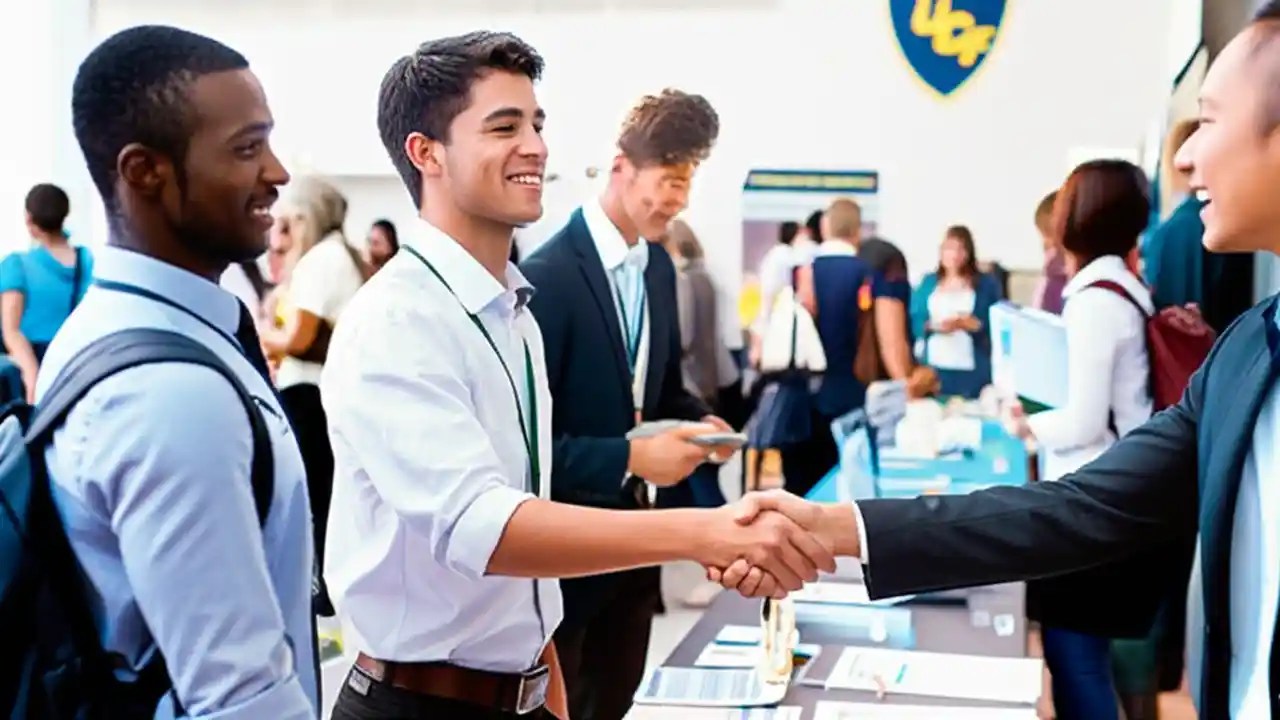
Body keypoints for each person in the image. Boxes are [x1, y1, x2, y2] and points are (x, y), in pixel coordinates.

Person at [714, 6, 1280, 717]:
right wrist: (836, 528)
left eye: (1211, 121)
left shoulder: (1132, 308)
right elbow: (1079, 508)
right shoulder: (1246, 356)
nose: (1188, 157)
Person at [321, 31, 834, 720]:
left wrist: (544, 685)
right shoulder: (397, 321)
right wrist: (704, 530)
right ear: (426, 152)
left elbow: (523, 556)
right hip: (420, 700)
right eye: (504, 127)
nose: (535, 145)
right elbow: (488, 530)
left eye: (537, 124)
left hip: (524, 687)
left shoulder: (512, 313)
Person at [43, 25, 316, 717]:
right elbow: (239, 698)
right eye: (246, 148)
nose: (277, 172)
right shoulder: (170, 394)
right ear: (145, 172)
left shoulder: (115, 331)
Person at [520, 87, 732, 720]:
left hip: (639, 552)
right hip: (567, 558)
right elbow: (528, 448)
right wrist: (630, 459)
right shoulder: (548, 276)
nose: (681, 199)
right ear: (621, 168)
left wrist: (700, 423)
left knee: (617, 700)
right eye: (670, 180)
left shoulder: (658, 271)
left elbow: (661, 390)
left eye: (689, 182)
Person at [1, 183, 93, 401]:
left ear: (28, 219)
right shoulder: (87, 261)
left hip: (29, 369)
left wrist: (32, 376)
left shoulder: (17, 265)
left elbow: (11, 331)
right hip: (72, 368)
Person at [910, 225, 1000, 399]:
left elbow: (993, 320)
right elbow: (916, 318)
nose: (954, 255)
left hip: (971, 364)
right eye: (949, 249)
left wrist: (970, 324)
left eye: (960, 249)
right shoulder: (928, 282)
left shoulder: (985, 284)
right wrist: (931, 326)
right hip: (936, 363)